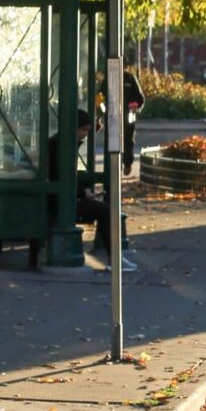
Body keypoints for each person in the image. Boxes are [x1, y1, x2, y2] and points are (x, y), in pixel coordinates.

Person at [47, 109, 136, 272]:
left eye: (88, 131)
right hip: (58, 204)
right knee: (106, 212)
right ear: (73, 128)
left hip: (60, 200)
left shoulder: (60, 144)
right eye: (83, 130)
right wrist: (83, 193)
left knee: (105, 211)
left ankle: (115, 257)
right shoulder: (59, 147)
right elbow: (60, 178)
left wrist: (83, 191)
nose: (85, 135)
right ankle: (115, 259)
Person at [123, 66, 146, 175]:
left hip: (129, 115)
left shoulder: (130, 78)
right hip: (113, 115)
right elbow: (101, 95)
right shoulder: (109, 77)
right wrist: (100, 112)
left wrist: (136, 108)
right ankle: (114, 164)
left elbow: (140, 98)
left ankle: (127, 163)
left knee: (128, 140)